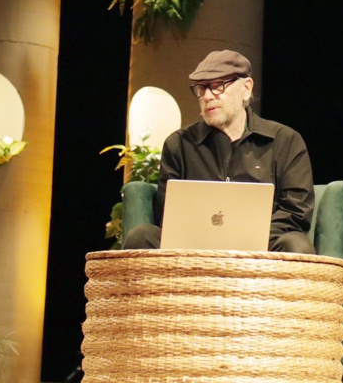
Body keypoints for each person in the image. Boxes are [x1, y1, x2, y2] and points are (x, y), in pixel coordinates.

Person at [122, 50, 316, 254]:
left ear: (246, 89)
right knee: (141, 237)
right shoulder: (179, 144)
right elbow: (167, 213)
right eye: (201, 88)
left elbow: (296, 211)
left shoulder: (284, 141)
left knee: (296, 245)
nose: (207, 96)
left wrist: (245, 236)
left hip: (262, 247)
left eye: (217, 86)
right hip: (192, 246)